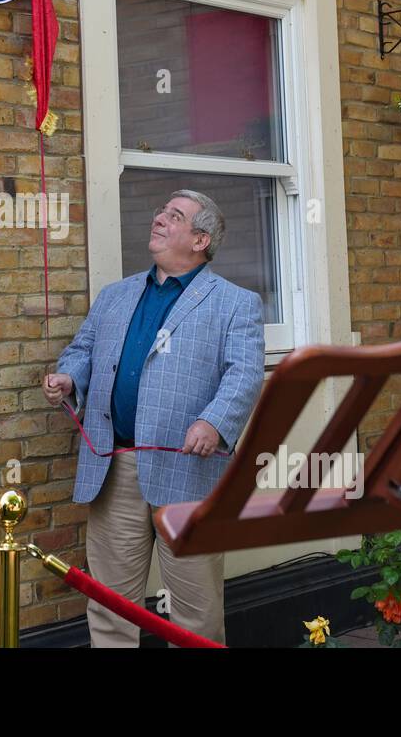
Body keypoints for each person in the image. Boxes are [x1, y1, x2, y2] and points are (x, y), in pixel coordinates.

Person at [42, 190, 265, 646]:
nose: (159, 218)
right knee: (110, 603)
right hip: (114, 466)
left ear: (200, 239)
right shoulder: (115, 295)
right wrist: (69, 378)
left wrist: (215, 422)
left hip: (188, 472)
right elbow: (83, 350)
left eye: (174, 215)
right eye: (161, 210)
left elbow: (244, 374)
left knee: (195, 609)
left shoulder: (235, 303)